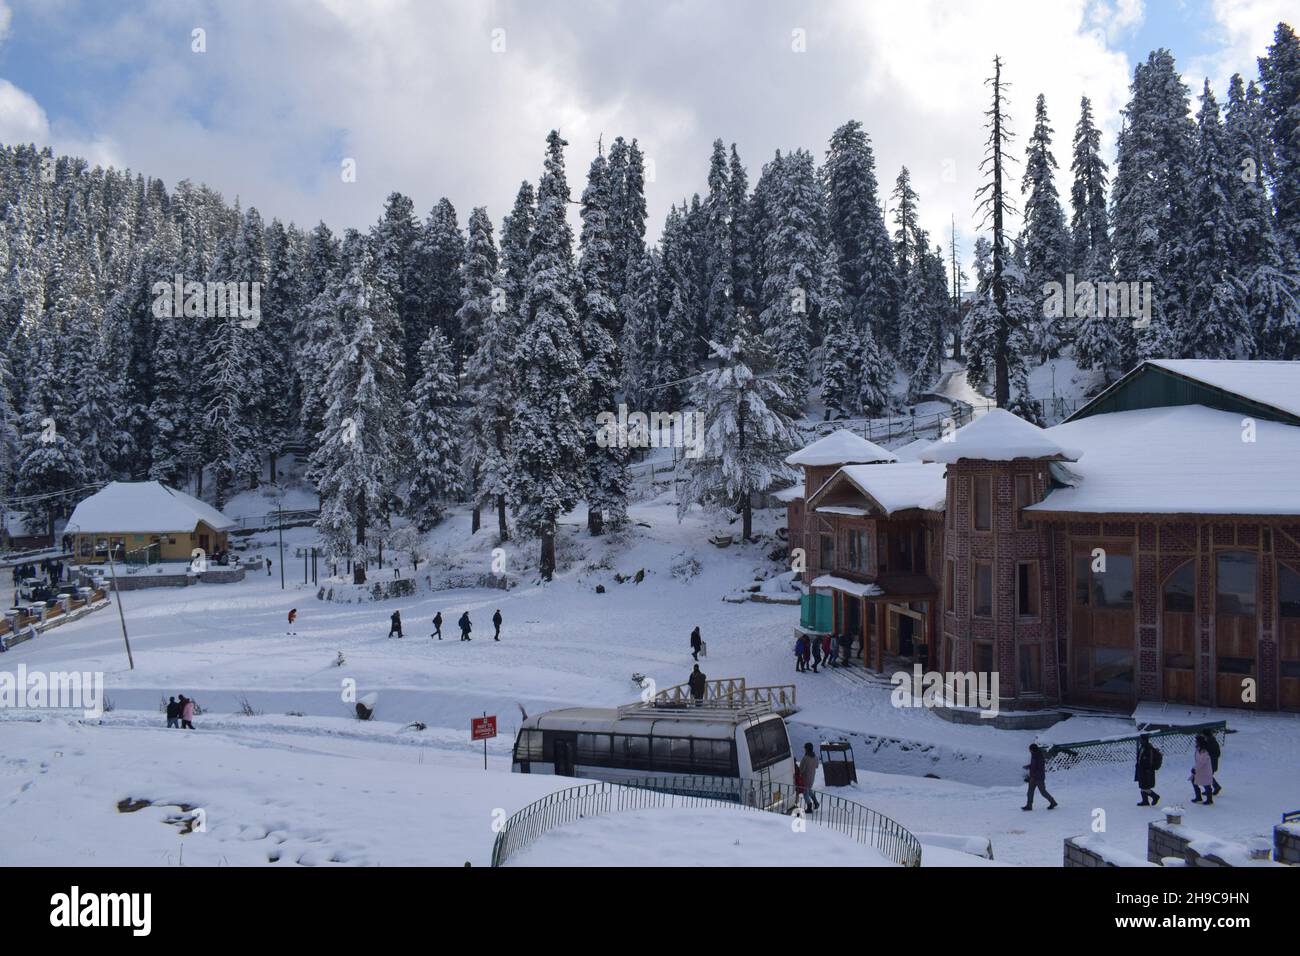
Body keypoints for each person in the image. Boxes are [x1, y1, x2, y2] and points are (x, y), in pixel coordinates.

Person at [1022, 743, 1058, 810]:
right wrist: (1028, 766)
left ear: (1033, 750)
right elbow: (1033, 765)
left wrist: (1033, 776)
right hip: (1033, 777)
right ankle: (1029, 806)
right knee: (1030, 792)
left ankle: (1053, 802)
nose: (1029, 751)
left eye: (1030, 750)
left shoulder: (1040, 757)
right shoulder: (1033, 755)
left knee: (1043, 792)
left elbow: (1039, 769)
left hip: (1039, 778)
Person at [1135, 735, 1162, 806]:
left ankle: (1155, 796)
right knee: (1142, 786)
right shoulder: (1143, 747)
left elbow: (1147, 761)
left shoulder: (1148, 749)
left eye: (1141, 739)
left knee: (1145, 787)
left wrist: (1146, 769)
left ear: (1144, 740)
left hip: (1146, 771)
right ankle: (1145, 801)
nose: (1140, 741)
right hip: (1142, 770)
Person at [1191, 736, 1215, 806]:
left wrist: (1194, 768)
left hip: (1204, 771)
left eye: (1196, 741)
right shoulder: (1198, 749)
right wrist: (1194, 768)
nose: (1195, 742)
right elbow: (1198, 761)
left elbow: (1202, 761)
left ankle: (1209, 800)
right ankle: (1198, 797)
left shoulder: (1204, 751)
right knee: (1194, 781)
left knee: (1206, 784)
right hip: (1200, 770)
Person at [798, 743, 820, 811]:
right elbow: (817, 766)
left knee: (805, 793)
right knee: (809, 790)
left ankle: (809, 806)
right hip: (812, 777)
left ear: (807, 749)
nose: (804, 749)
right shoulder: (815, 757)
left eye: (805, 748)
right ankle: (816, 802)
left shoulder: (805, 758)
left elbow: (801, 769)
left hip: (805, 778)